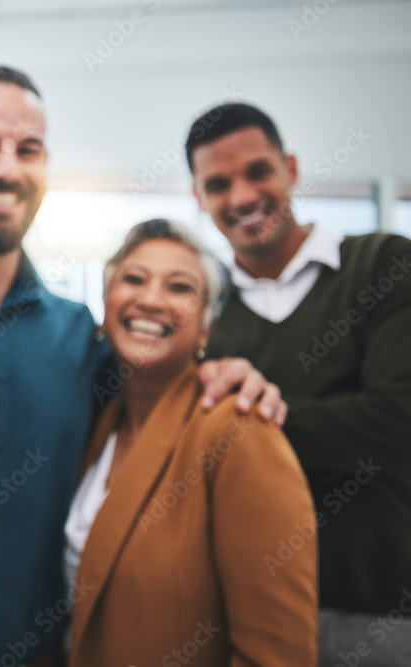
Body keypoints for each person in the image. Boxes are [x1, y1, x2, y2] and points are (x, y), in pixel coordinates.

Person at [0, 65, 288, 667]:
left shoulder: (83, 339)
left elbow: (161, 388)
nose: (8, 169)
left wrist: (228, 372)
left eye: (30, 149)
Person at [187, 102, 411, 664]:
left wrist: (254, 419)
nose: (241, 197)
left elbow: (398, 420)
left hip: (383, 611)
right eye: (218, 184)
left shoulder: (383, 265)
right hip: (249, 614)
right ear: (198, 197)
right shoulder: (205, 315)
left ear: (290, 167)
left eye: (257, 171)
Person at [63, 219, 318, 665]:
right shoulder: (95, 419)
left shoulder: (239, 430)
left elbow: (280, 654)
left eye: (179, 287)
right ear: (106, 306)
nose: (150, 299)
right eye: (134, 279)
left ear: (206, 327)